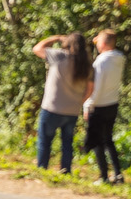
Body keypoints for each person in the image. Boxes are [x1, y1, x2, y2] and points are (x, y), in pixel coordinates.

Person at [32, 31, 93, 172]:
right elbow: (90, 89)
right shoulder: (87, 65)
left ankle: (42, 168)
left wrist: (56, 38)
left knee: (45, 140)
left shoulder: (59, 56)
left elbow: (37, 48)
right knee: (67, 142)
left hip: (52, 107)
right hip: (72, 110)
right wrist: (79, 102)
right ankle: (66, 169)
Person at [84, 31, 126, 184]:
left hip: (99, 104)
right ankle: (118, 174)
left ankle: (104, 177)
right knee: (108, 139)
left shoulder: (101, 61)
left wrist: (88, 104)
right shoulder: (120, 58)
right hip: (112, 103)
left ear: (102, 43)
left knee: (97, 142)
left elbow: (97, 86)